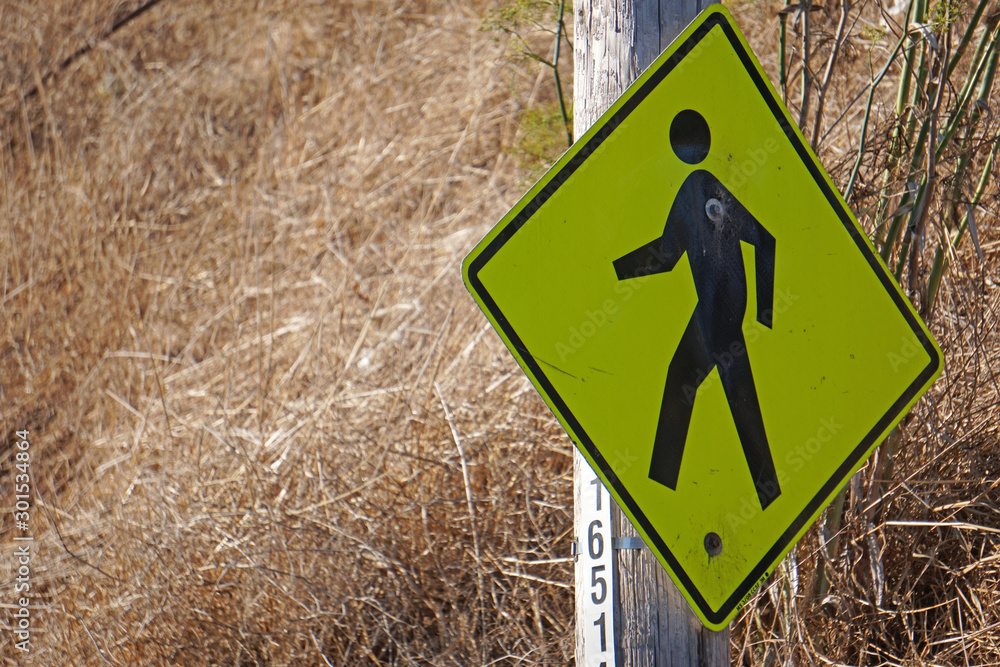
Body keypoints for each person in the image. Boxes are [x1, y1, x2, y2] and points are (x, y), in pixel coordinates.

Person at [613, 109, 781, 509]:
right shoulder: (691, 190)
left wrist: (766, 313)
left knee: (730, 397)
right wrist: (614, 271)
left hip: (723, 310)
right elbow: (667, 254)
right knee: (695, 386)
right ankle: (667, 493)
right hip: (710, 308)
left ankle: (761, 493)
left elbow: (765, 239)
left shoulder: (708, 186)